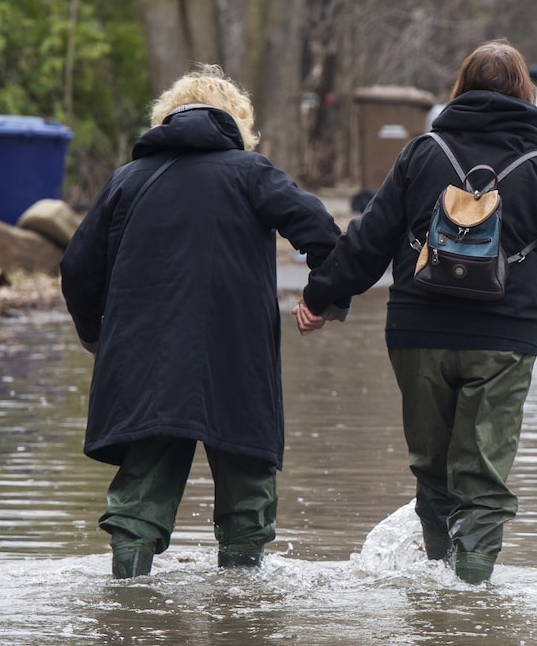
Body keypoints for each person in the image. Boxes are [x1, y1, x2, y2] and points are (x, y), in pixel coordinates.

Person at [292, 40, 537, 585]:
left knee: (433, 472)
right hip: (504, 340)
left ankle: (437, 586)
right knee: (483, 477)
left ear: (460, 88)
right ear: (526, 91)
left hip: (417, 333)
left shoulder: (421, 154)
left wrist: (320, 298)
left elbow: (368, 240)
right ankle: (469, 595)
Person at [60, 65, 344, 578]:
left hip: (145, 357)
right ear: (238, 123)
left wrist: (97, 336)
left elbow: (77, 267)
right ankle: (243, 609)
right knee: (247, 497)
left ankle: (127, 601)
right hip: (237, 356)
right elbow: (324, 234)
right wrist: (322, 300)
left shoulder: (127, 180)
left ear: (165, 119)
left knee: (138, 500)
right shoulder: (252, 173)